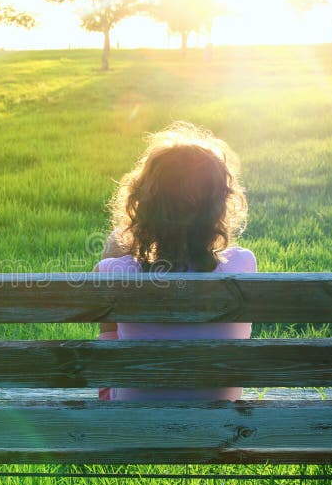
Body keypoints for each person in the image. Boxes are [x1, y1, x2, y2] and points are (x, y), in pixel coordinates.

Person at [95, 122, 256, 401]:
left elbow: (107, 360)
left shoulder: (113, 272)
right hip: (220, 427)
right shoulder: (243, 264)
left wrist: (117, 246)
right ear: (220, 205)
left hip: (133, 424)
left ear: (142, 204)